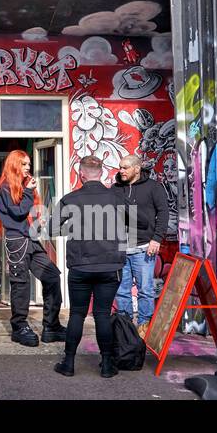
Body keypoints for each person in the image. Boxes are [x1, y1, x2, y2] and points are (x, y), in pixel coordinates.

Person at [53, 156, 126, 378]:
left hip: (80, 266)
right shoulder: (117, 198)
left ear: (81, 173)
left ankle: (68, 363)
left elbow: (53, 229)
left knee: (77, 314)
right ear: (101, 173)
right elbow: (136, 224)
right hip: (110, 265)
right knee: (102, 314)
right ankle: (106, 365)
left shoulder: (70, 199)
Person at [0, 149, 63, 346]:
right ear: (14, 165)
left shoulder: (21, 187)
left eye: (29, 164)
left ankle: (51, 326)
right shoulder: (5, 188)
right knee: (21, 284)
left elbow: (30, 212)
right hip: (16, 241)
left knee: (52, 276)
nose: (28, 168)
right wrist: (30, 191)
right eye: (24, 164)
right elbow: (18, 212)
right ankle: (19, 327)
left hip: (30, 239)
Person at [114, 153, 169, 336]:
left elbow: (163, 213)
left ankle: (144, 327)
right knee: (122, 290)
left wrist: (157, 239)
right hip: (120, 248)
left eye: (125, 167)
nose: (121, 171)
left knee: (145, 290)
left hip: (144, 248)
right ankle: (125, 327)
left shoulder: (154, 188)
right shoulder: (115, 189)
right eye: (120, 167)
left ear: (137, 169)